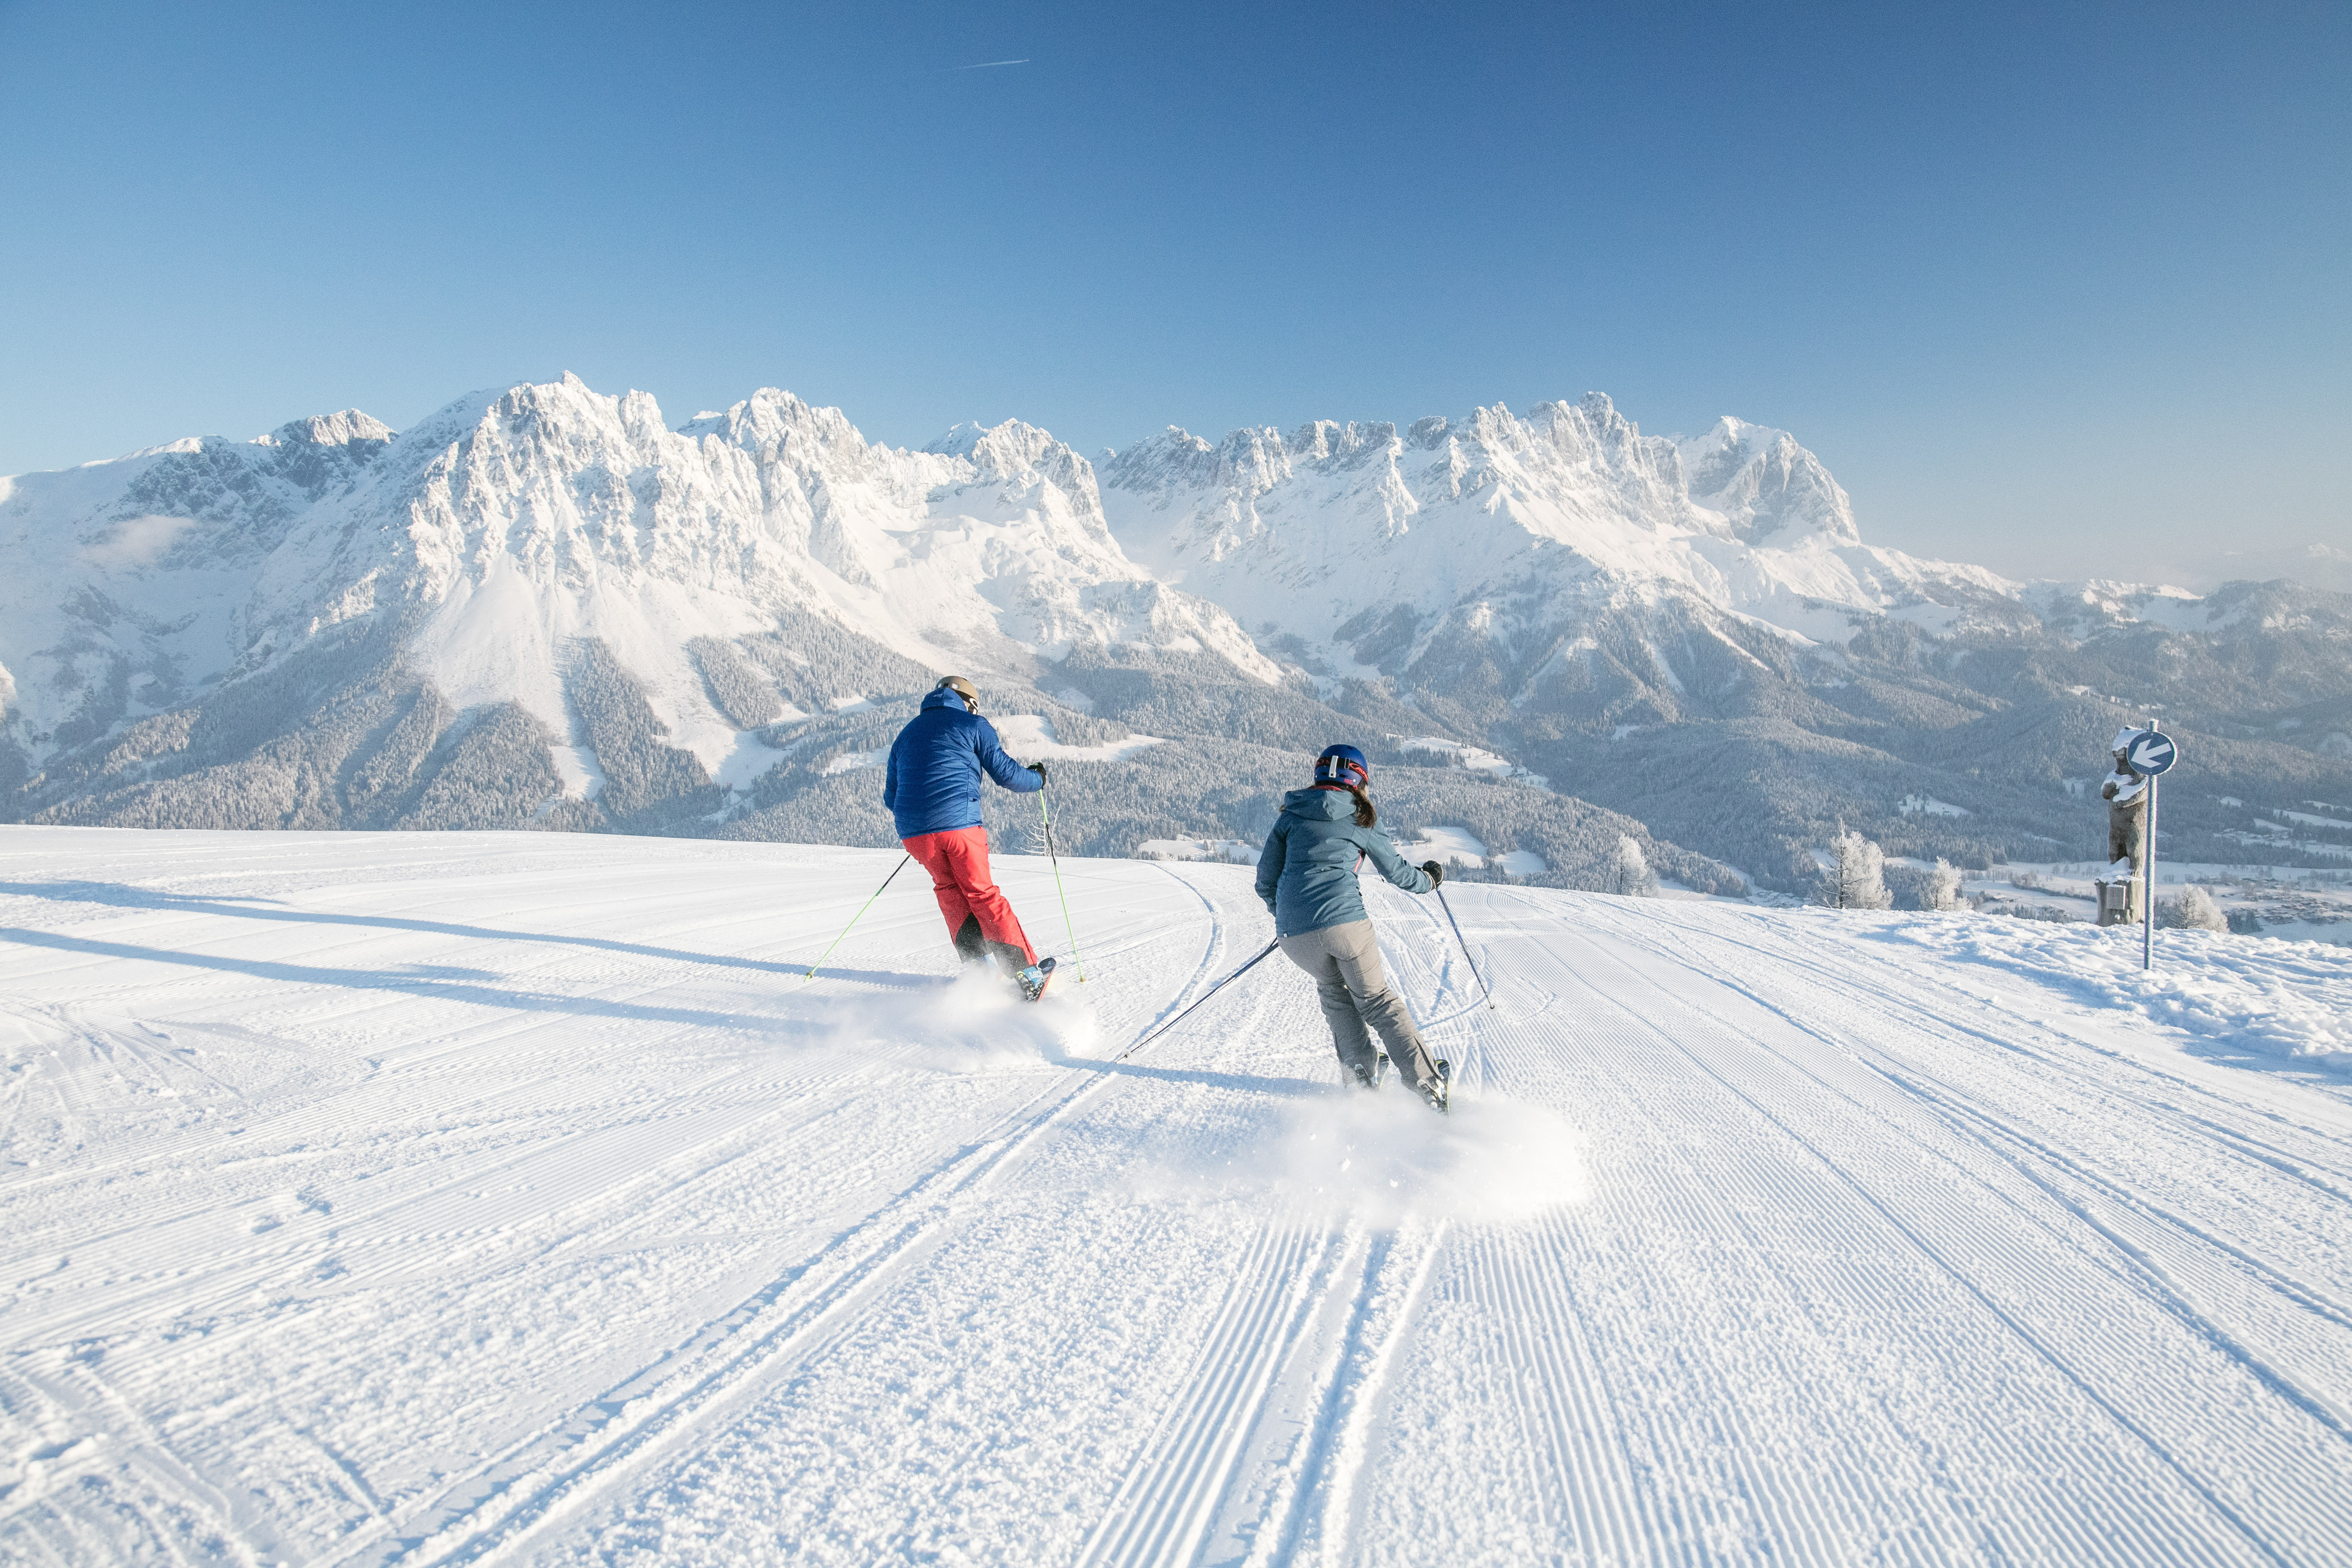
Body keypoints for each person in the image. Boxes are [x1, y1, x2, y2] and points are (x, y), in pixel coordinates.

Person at [1255, 744, 1451, 1110]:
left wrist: (1288, 916)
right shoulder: (1361, 817)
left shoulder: (1290, 817)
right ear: (1359, 782)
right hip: (1345, 924)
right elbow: (1398, 873)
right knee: (1376, 1001)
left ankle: (1362, 1078)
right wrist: (1430, 880)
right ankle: (1428, 1084)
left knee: (1335, 994)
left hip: (1294, 935)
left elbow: (1266, 881)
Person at [884, 675, 1055, 1000]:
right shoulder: (973, 724)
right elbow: (1006, 775)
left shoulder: (905, 735)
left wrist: (923, 821)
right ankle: (1028, 975)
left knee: (949, 891)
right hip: (959, 828)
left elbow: (891, 798)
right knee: (982, 894)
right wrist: (1038, 779)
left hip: (913, 833)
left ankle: (980, 973)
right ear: (970, 704)